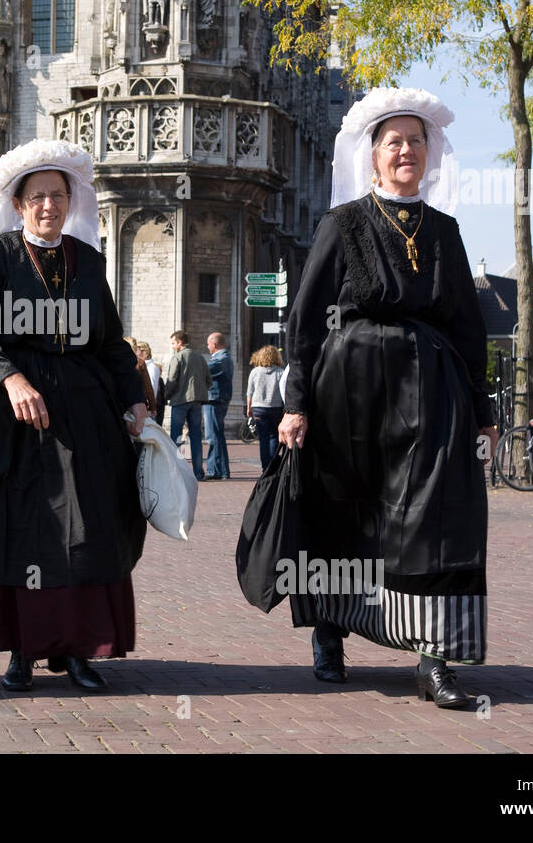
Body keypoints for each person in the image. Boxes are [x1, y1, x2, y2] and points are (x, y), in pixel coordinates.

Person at [276, 87, 494, 710]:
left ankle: (436, 658)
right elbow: (307, 317)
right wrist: (296, 402)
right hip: (350, 390)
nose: (406, 151)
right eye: (393, 142)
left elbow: (467, 328)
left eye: (416, 142)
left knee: (442, 513)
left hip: (433, 393)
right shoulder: (341, 224)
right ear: (372, 155)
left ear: (431, 154)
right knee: (344, 509)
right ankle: (329, 632)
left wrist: (483, 413)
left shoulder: (446, 232)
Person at [0, 138, 148, 692]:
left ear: (70, 200)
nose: (49, 206)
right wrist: (13, 380)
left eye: (58, 195)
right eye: (38, 197)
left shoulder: (89, 260)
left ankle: (79, 648)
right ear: (19, 204)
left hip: (83, 410)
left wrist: (135, 398)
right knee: (23, 525)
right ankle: (22, 649)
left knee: (86, 523)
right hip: (9, 414)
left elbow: (109, 341)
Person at [163, 330, 210, 481]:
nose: (172, 346)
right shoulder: (200, 357)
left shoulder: (178, 357)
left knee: (176, 436)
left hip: (180, 400)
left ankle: (177, 471)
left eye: (173, 343)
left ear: (180, 343)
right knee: (196, 436)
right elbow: (209, 380)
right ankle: (198, 472)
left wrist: (166, 396)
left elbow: (171, 380)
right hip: (197, 401)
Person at [245, 345, 285, 471]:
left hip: (258, 408)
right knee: (274, 436)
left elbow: (249, 392)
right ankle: (273, 466)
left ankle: (265, 467)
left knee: (263, 439)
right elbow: (284, 391)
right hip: (276, 408)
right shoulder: (280, 372)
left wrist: (249, 408)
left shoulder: (255, 372)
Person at [203, 332, 232, 480]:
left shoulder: (221, 359)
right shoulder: (224, 358)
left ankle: (216, 470)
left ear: (214, 345)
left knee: (213, 435)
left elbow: (204, 370)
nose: (207, 347)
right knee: (217, 434)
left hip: (214, 400)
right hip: (218, 399)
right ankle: (220, 470)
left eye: (208, 344)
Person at [123, 336, 158, 417]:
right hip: (138, 402)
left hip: (121, 403)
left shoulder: (115, 361)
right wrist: (153, 408)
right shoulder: (140, 363)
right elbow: (148, 387)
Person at [138, 341, 163, 420]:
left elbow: (151, 389)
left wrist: (151, 408)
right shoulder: (146, 366)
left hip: (148, 410)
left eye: (136, 351)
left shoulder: (151, 368)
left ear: (144, 353)